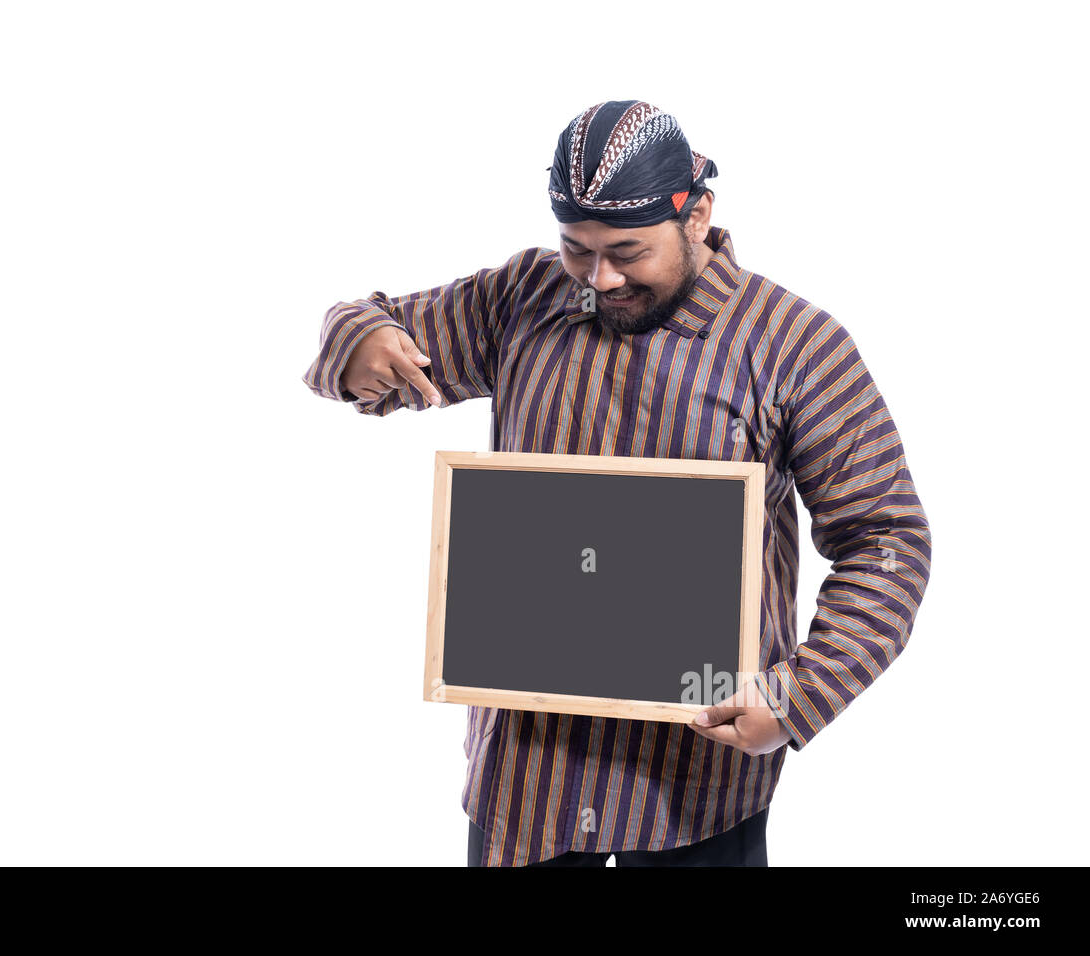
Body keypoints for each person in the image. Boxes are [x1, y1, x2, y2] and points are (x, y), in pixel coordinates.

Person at [300, 100, 931, 867]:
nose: (599, 277)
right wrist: (360, 344)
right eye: (576, 248)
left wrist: (801, 693)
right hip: (527, 781)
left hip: (696, 787)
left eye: (627, 251)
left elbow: (886, 542)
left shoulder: (798, 346)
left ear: (696, 215)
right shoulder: (521, 299)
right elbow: (370, 322)